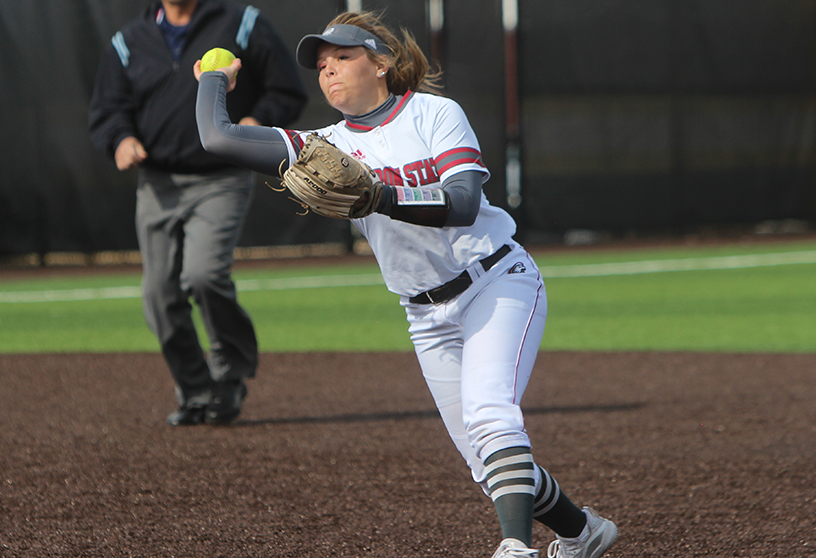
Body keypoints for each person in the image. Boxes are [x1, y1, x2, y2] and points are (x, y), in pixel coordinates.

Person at [192, 11, 618, 558]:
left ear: (383, 63)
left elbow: (463, 204)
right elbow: (216, 138)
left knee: (491, 416)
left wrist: (381, 197)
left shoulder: (434, 113)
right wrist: (213, 79)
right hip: (425, 314)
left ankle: (515, 547)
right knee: (484, 464)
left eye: (342, 57)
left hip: (495, 282)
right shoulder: (322, 146)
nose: (329, 70)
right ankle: (584, 532)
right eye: (321, 65)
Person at [89, 0, 306, 426]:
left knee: (204, 275)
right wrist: (119, 139)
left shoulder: (241, 24)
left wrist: (256, 119)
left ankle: (230, 376)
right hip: (157, 183)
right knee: (158, 295)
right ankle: (196, 389)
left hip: (221, 178)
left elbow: (287, 89)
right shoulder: (129, 41)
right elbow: (107, 108)